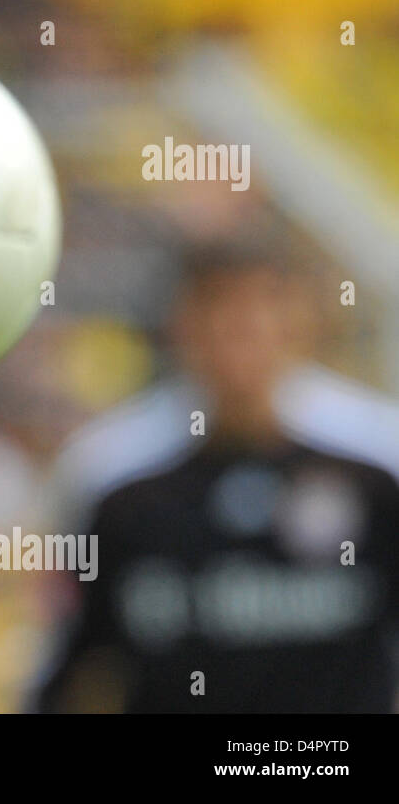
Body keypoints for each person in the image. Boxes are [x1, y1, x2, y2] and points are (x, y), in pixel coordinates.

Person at [32, 235, 399, 712]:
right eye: (217, 307)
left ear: (304, 321)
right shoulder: (108, 474)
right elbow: (64, 657)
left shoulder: (377, 460)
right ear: (180, 324)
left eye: (262, 307)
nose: (240, 330)